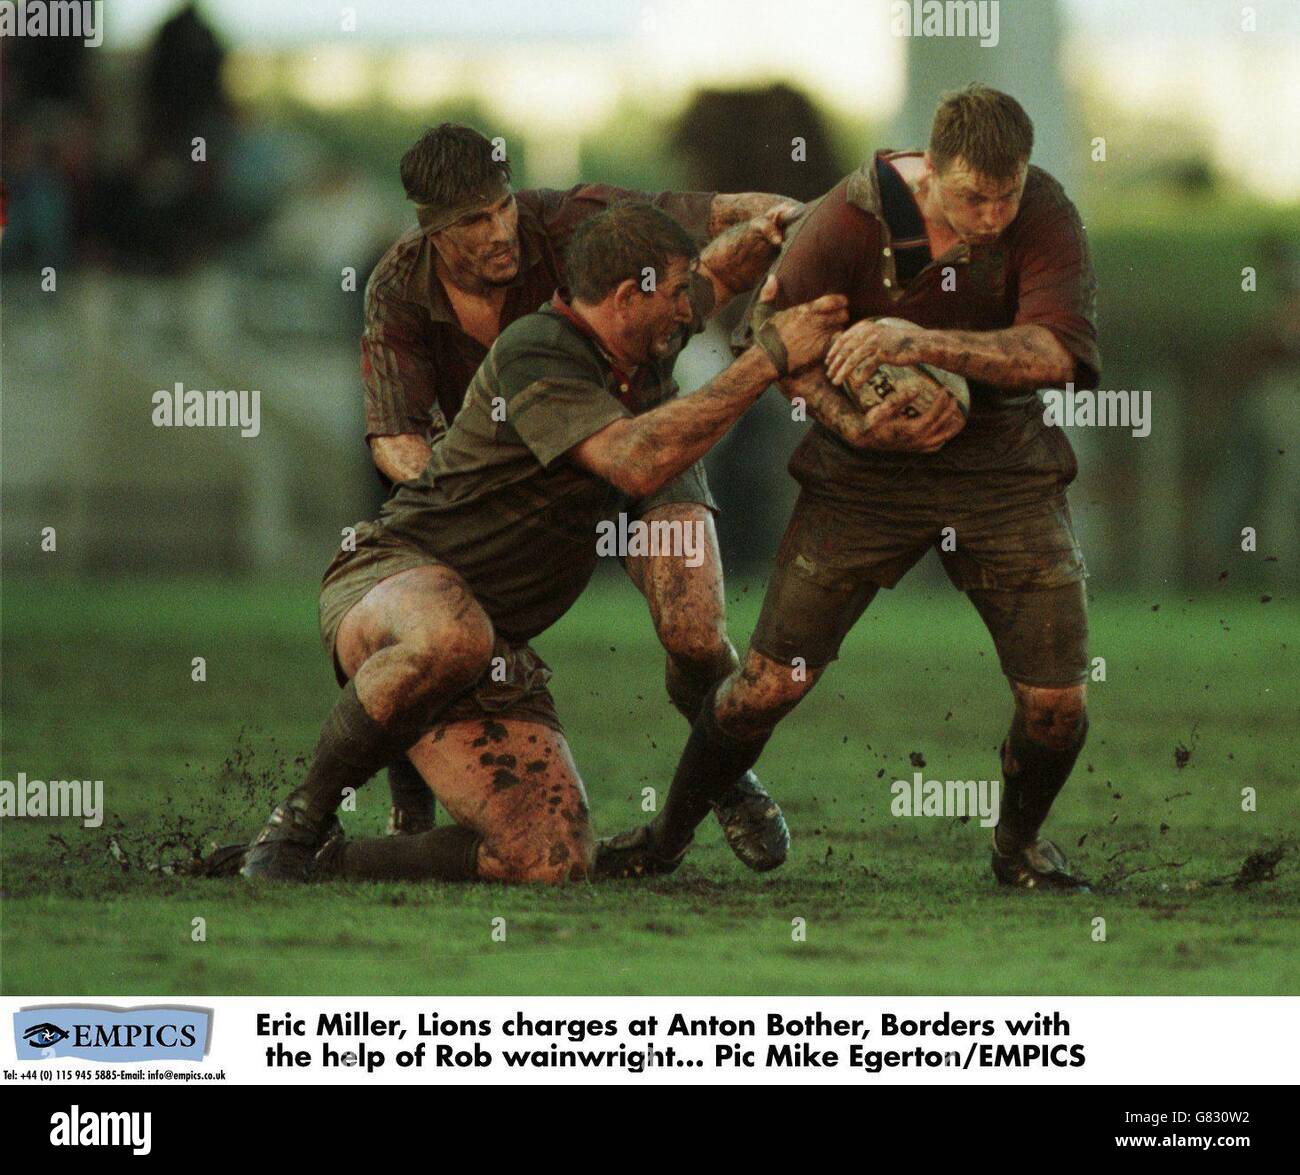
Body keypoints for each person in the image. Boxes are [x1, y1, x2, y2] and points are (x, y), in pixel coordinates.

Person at [238, 201, 848, 883]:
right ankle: (299, 819)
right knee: (452, 635)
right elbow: (634, 461)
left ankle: (337, 861)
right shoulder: (539, 352)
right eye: (677, 295)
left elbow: (722, 267)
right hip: (398, 577)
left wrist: (799, 226)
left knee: (557, 851)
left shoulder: (651, 322)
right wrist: (769, 358)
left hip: (494, 636)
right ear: (626, 297)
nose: (692, 310)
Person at [601, 86, 1101, 892]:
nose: (995, 213)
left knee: (1058, 703)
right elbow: (776, 348)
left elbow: (1056, 354)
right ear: (929, 171)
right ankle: (666, 835)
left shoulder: (1042, 211)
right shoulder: (850, 218)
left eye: (1008, 193)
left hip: (1004, 466)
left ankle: (1019, 848)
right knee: (766, 685)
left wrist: (919, 342)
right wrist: (852, 419)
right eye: (975, 196)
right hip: (862, 476)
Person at [362, 123, 795, 866]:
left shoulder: (562, 216)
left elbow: (707, 212)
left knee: (696, 628)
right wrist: (463, 491)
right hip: (502, 480)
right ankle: (407, 800)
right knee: (432, 630)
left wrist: (816, 217)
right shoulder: (397, 287)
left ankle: (724, 774)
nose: (500, 228)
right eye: (473, 220)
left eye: (501, 206)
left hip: (646, 432)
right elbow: (395, 439)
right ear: (430, 227)